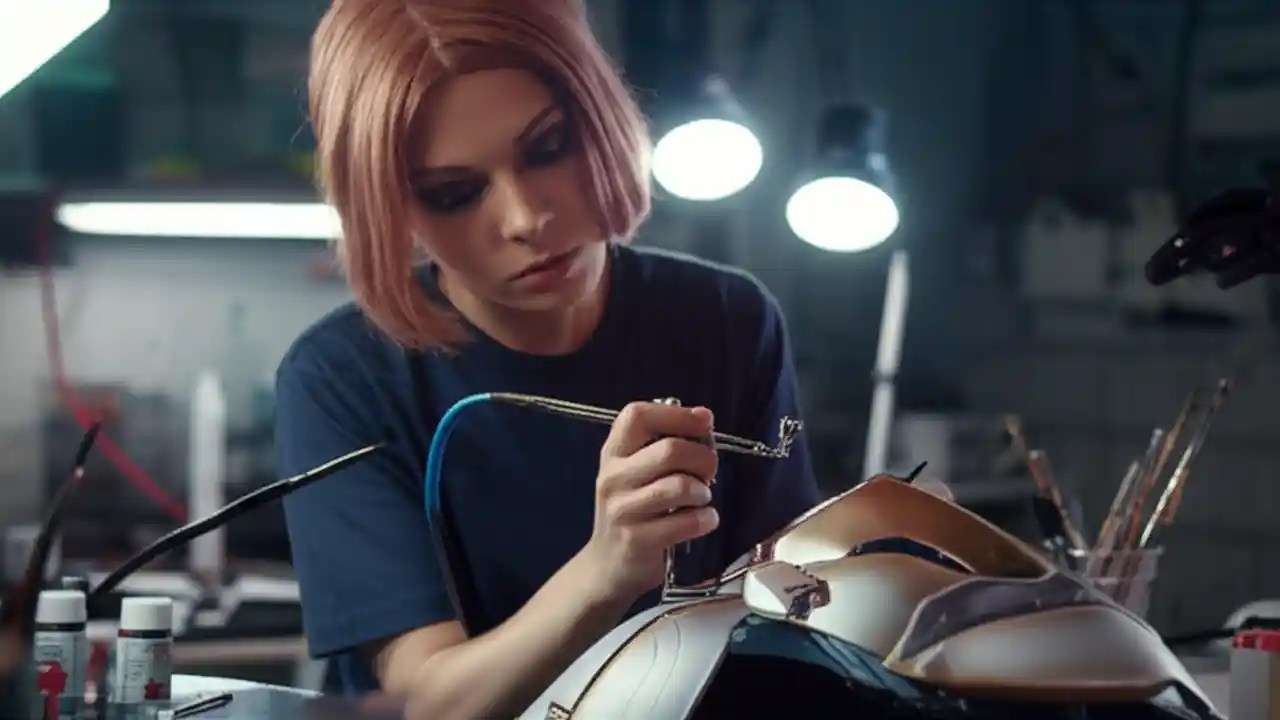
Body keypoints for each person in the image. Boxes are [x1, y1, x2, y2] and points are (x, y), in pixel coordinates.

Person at [274, 0, 822, 717]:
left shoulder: (727, 321)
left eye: (548, 147)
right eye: (454, 193)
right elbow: (432, 704)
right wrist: (607, 571)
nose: (527, 218)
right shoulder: (341, 379)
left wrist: (885, 565)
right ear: (389, 208)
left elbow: (788, 623)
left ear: (599, 117)